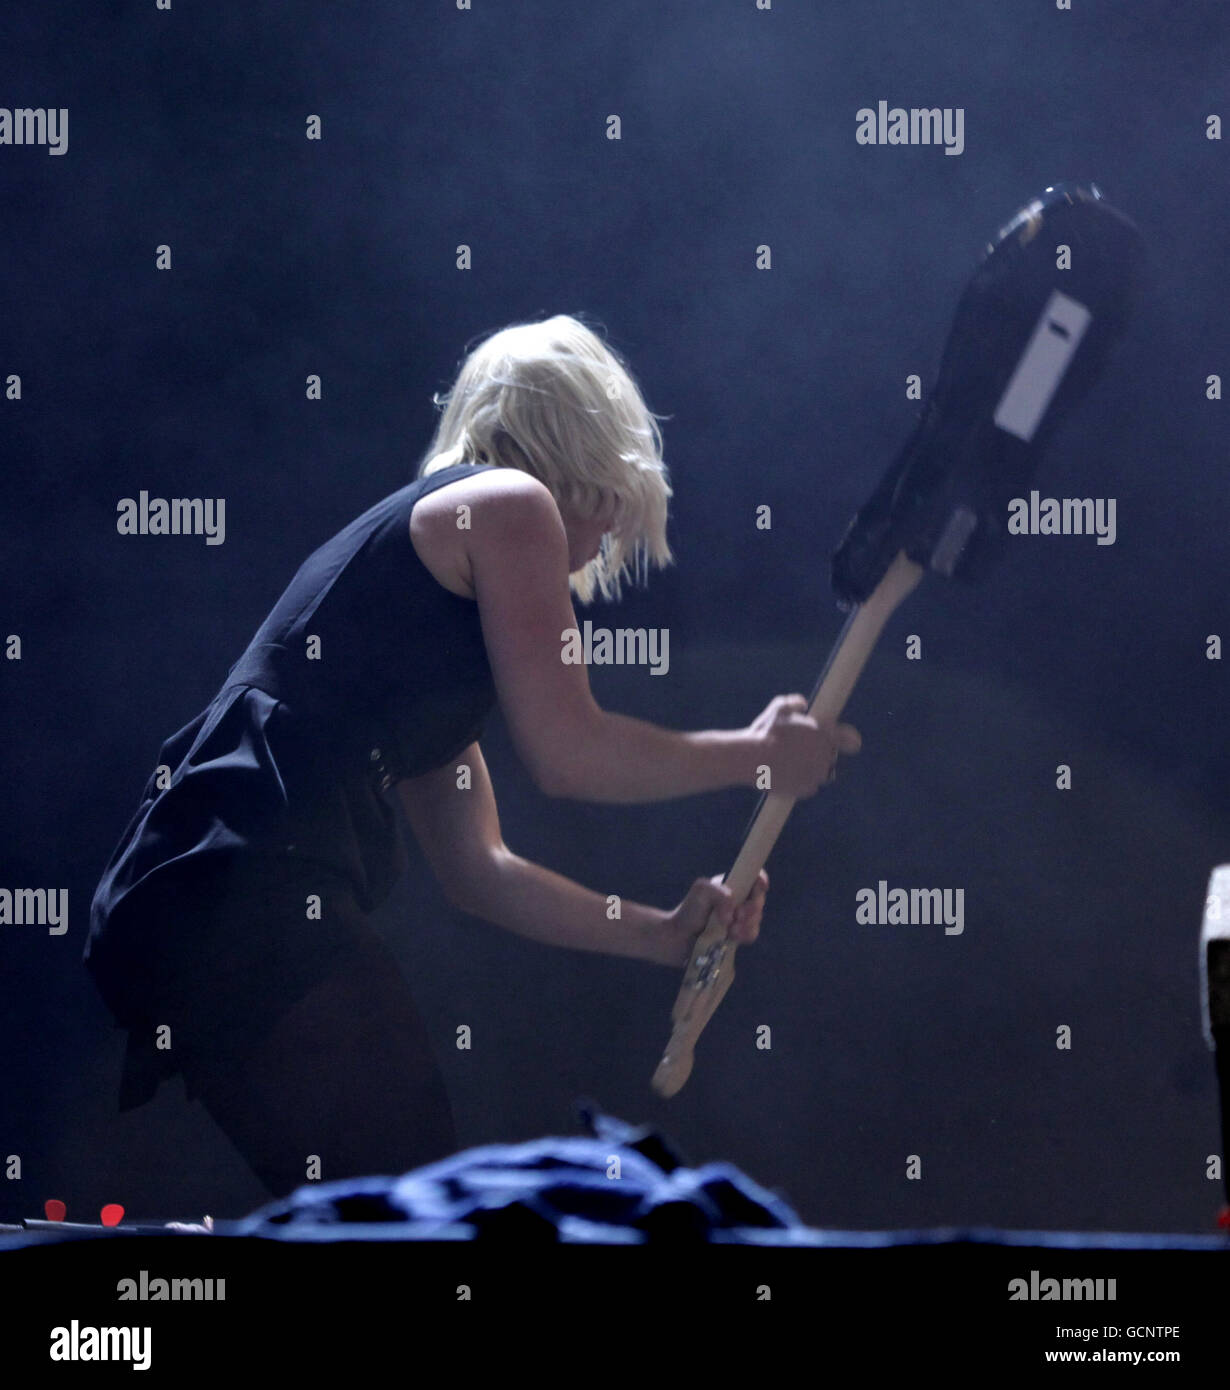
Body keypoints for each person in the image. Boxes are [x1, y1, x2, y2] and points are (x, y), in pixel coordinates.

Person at [84, 314, 861, 1200]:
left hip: (189, 901)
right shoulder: (509, 502)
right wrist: (757, 757)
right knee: (404, 1191)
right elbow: (569, 752)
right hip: (233, 888)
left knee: (385, 1194)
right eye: (616, 498)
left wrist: (661, 936)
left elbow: (482, 871)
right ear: (587, 448)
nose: (610, 537)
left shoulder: (420, 642)